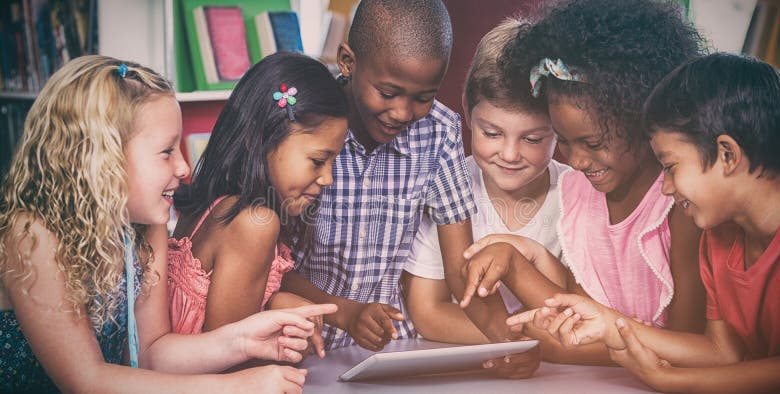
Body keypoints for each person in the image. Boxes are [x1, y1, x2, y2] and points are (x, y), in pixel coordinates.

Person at [0, 55, 335, 393]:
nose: (184, 168)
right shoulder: (31, 236)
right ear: (103, 156)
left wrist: (247, 339)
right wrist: (236, 386)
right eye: (166, 152)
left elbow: (152, 353)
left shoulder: (145, 227)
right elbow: (86, 381)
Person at [514, 53, 780, 393]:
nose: (665, 187)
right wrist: (609, 324)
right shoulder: (718, 235)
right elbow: (722, 351)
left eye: (670, 166)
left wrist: (667, 379)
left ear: (727, 155)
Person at [461, 0, 708, 364]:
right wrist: (514, 265)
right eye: (563, 140)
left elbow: (684, 347)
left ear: (641, 118)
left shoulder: (678, 206)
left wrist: (550, 342)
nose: (575, 161)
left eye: (593, 143)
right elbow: (579, 317)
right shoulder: (580, 193)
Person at [282, 0, 513, 353]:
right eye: (388, 93)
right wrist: (345, 312)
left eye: (424, 97)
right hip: (302, 345)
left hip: (390, 349)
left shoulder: (439, 132)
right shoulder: (305, 125)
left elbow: (459, 270)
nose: (403, 112)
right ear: (348, 62)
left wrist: (507, 343)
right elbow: (268, 268)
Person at [401, 18, 571, 378]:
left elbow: (574, 306)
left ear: (562, 127)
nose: (509, 154)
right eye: (491, 133)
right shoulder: (447, 186)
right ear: (467, 112)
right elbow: (427, 312)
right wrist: (515, 341)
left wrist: (527, 343)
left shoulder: (576, 196)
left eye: (533, 139)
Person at [168, 52, 347, 359]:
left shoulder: (212, 207)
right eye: (318, 160)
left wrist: (274, 304)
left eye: (333, 162)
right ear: (259, 138)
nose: (328, 178)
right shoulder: (254, 222)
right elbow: (229, 361)